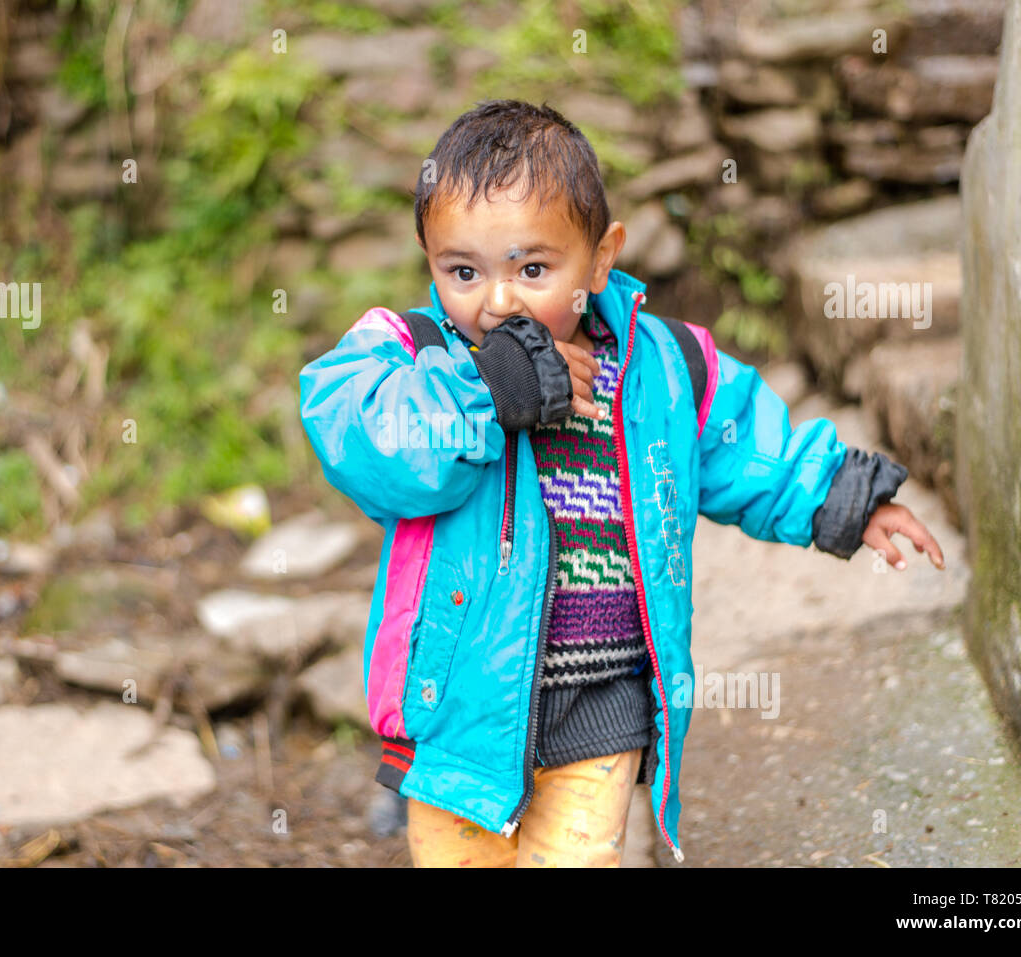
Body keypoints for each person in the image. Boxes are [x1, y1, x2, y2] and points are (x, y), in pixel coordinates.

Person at [297, 99, 946, 867]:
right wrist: (488, 389)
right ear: (428, 256)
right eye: (462, 270)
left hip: (605, 708)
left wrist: (845, 494)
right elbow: (360, 436)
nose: (497, 301)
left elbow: (745, 446)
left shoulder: (661, 367)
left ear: (601, 258)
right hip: (463, 719)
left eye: (533, 269)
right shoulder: (415, 354)